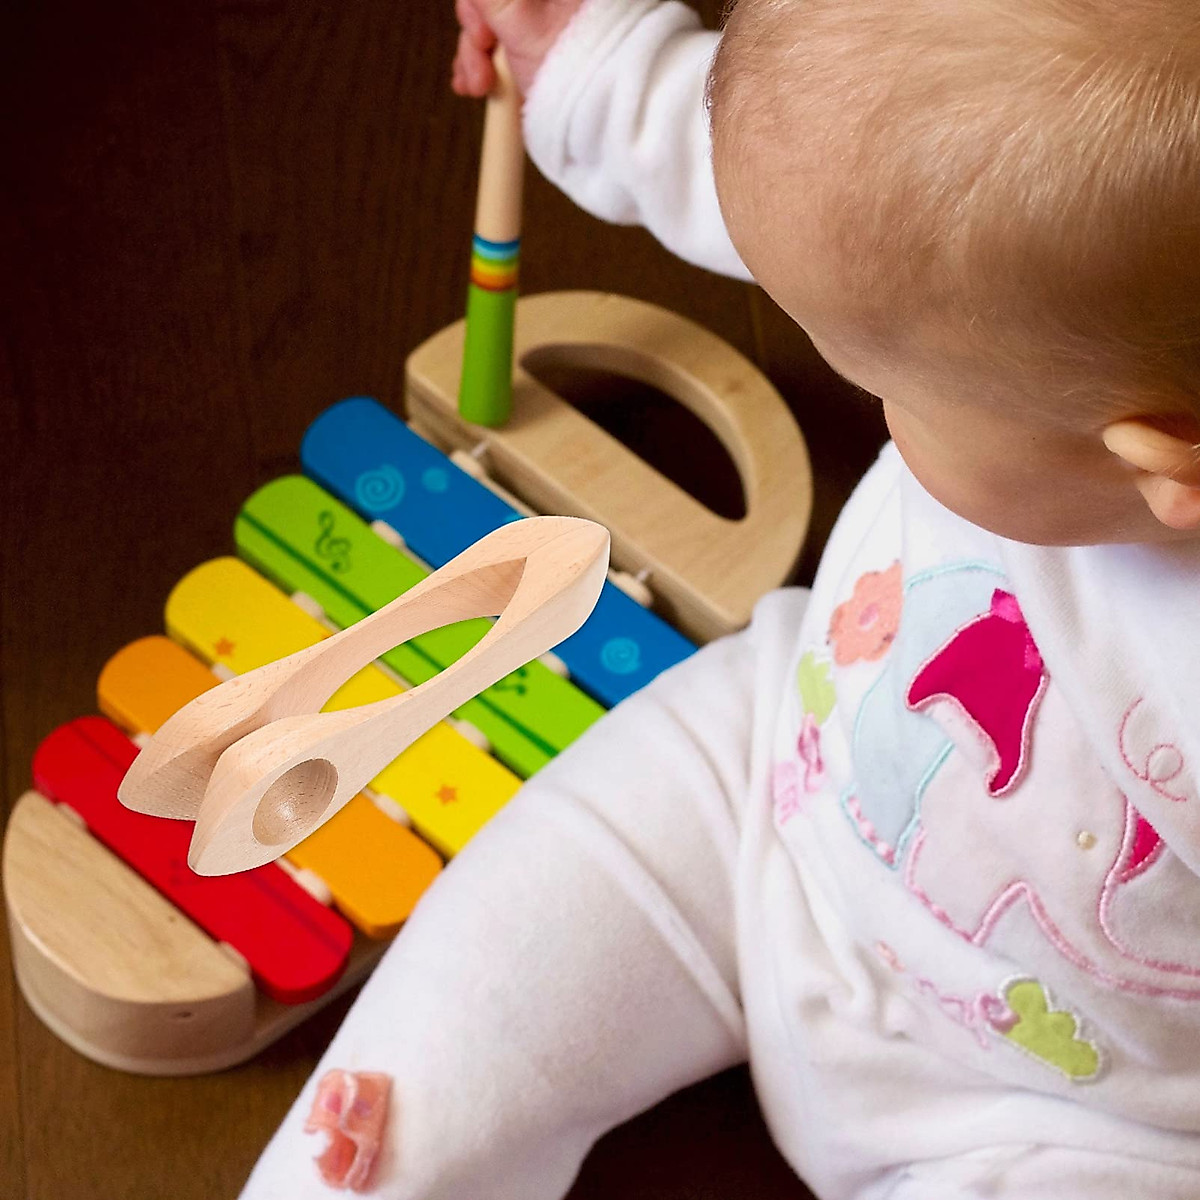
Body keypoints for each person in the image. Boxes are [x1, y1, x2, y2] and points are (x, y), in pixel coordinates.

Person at [240, 1, 1200, 1195]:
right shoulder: (1057, 274)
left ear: (1166, 466)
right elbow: (868, 189)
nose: (877, 412)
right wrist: (597, 69)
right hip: (773, 788)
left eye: (888, 391)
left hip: (1068, 1115)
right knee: (481, 983)